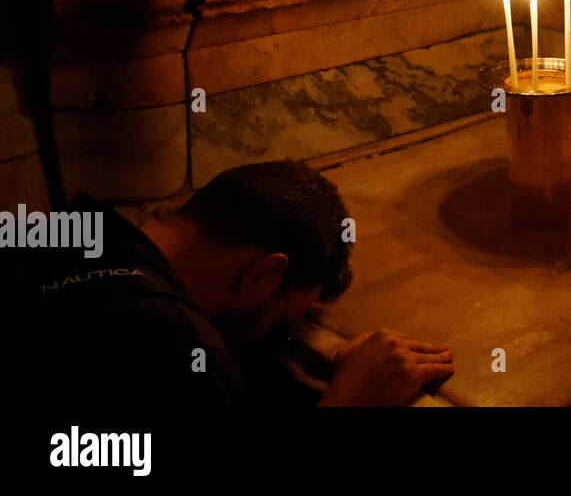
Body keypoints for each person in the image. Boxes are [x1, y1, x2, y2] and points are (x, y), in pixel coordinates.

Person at [14, 160, 453, 407]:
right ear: (263, 275)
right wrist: (351, 399)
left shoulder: (66, 228)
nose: (273, 336)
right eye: (282, 319)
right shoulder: (178, 345)